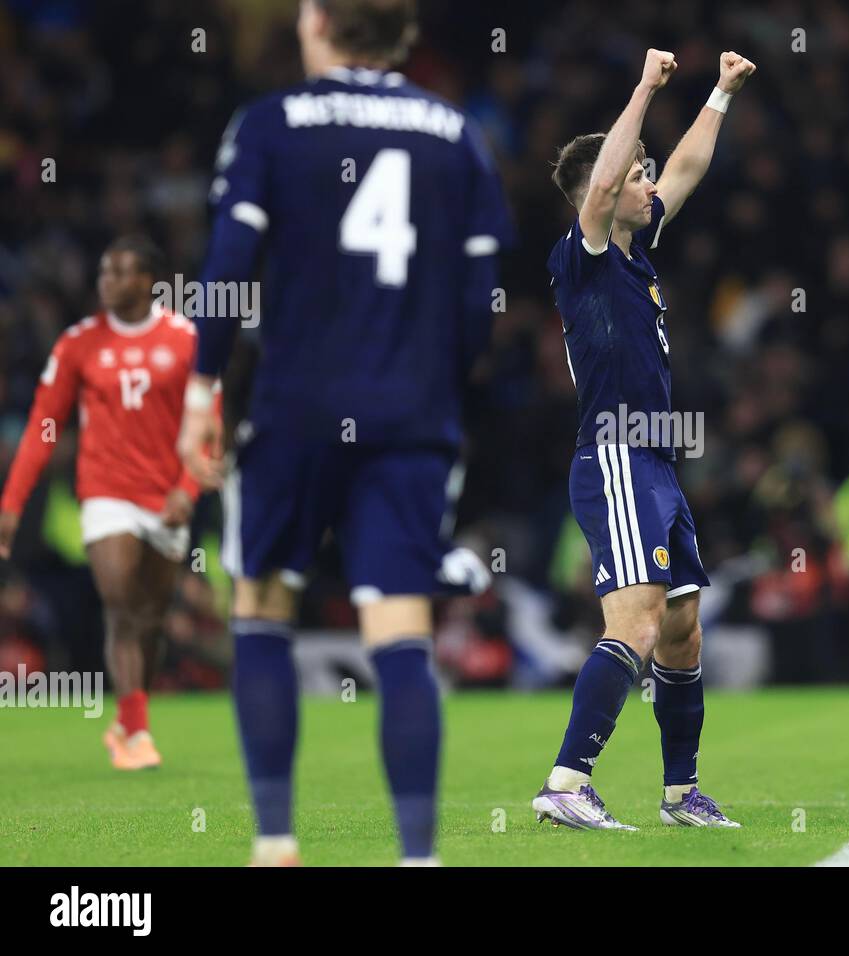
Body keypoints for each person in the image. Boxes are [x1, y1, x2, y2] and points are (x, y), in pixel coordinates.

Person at [177, 0, 511, 866]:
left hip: (295, 406)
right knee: (400, 627)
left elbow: (226, 266)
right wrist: (436, 377)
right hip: (409, 415)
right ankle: (416, 856)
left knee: (259, 603)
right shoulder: (453, 131)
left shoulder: (272, 123)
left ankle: (277, 840)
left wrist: (202, 389)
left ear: (318, 21)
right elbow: (483, 301)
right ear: (401, 32)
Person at [531, 48, 755, 830]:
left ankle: (679, 793)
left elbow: (687, 170)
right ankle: (566, 779)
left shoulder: (636, 255)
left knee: (684, 628)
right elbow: (599, 184)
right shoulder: (584, 258)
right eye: (637, 174)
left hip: (655, 463)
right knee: (634, 620)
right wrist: (644, 87)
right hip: (617, 458)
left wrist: (721, 93)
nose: (648, 183)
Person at [0, 236, 213, 770]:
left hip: (165, 497)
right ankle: (136, 736)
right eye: (103, 272)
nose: (108, 283)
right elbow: (44, 426)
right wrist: (12, 501)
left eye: (121, 273)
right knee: (119, 599)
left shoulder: (187, 339)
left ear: (149, 281)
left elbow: (207, 426)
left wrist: (186, 493)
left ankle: (128, 718)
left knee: (151, 617)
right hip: (105, 492)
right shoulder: (78, 343)